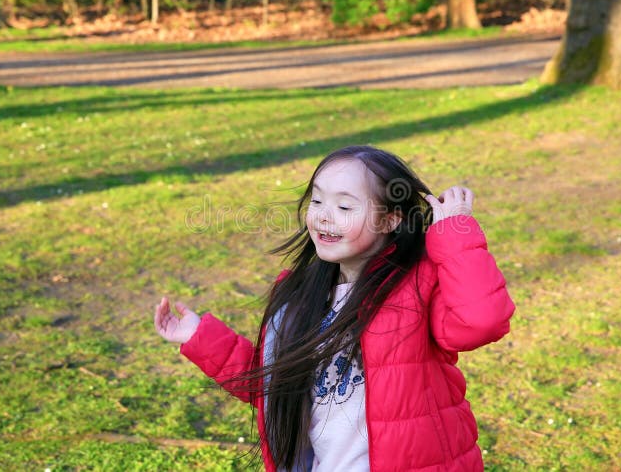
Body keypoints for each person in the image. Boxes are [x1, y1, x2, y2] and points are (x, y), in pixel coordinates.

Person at [154, 145, 515, 471]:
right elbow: (275, 385)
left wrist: (455, 232)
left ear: (390, 219)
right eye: (317, 201)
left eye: (344, 206)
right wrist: (200, 337)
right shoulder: (299, 298)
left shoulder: (417, 291)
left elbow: (482, 321)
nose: (324, 216)